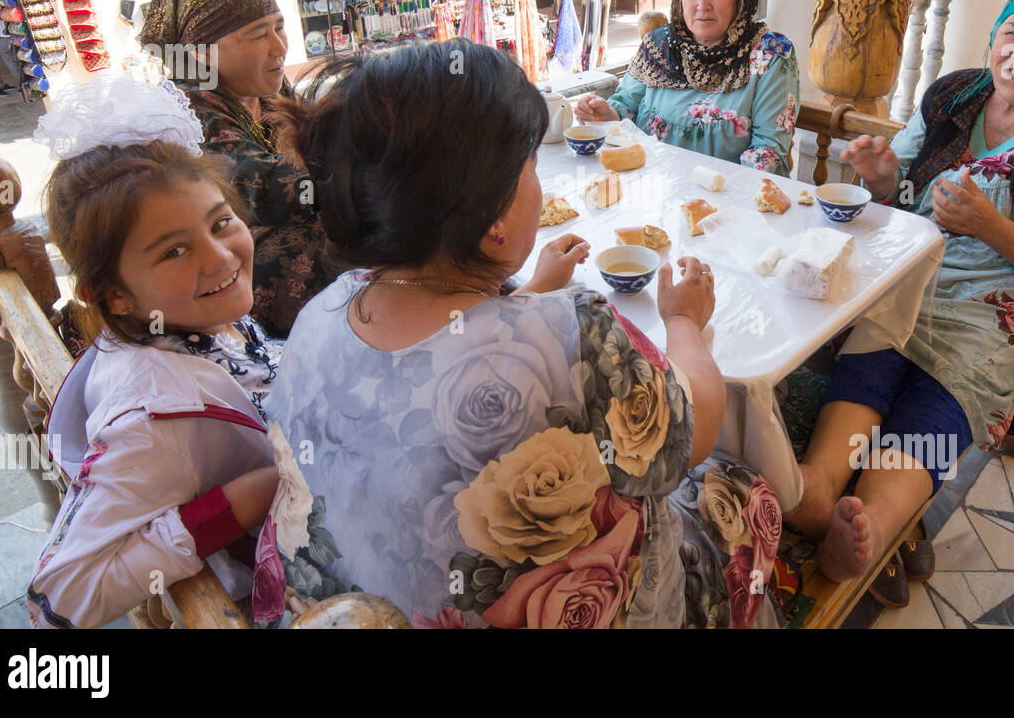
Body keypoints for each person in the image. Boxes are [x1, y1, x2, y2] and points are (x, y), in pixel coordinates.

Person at [254, 40, 784, 629]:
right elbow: (699, 427)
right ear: (493, 222)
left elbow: (434, 355)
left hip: (335, 609)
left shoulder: (327, 308)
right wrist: (684, 321)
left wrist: (527, 292)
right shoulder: (574, 332)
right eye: (531, 165)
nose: (539, 180)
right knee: (741, 486)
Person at [784, 0, 1014, 589]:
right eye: (1013, 33)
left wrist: (993, 228)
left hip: (1001, 302)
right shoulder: (951, 95)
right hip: (914, 267)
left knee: (952, 385)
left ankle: (872, 529)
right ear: (994, 39)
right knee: (877, 342)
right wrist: (885, 179)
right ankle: (821, 485)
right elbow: (908, 197)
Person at [27, 75, 280, 628]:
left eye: (221, 223)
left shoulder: (199, 318)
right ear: (112, 294)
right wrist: (241, 502)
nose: (220, 258)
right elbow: (57, 600)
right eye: (174, 251)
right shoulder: (151, 418)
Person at [139, 0, 337, 337]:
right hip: (220, 273)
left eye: (280, 27)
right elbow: (265, 187)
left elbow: (317, 141)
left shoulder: (268, 91)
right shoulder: (187, 110)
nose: (279, 47)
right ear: (201, 52)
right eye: (259, 35)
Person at [575, 0, 800, 176]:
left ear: (738, 0)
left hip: (728, 199)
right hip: (651, 188)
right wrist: (604, 114)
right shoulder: (659, 46)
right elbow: (624, 108)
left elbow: (767, 153)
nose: (703, 5)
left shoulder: (770, 54)